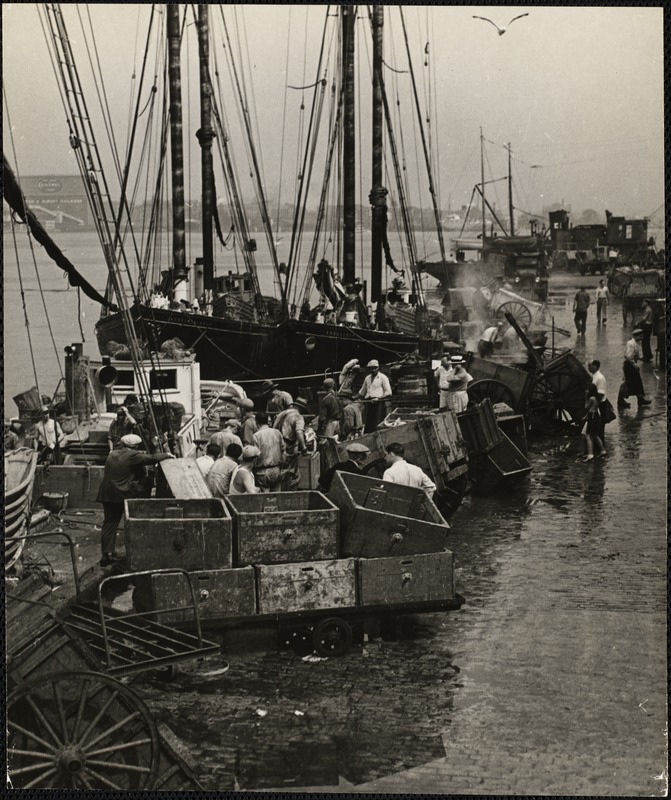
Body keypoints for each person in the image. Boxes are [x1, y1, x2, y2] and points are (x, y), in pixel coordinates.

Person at [96, 433, 174, 566]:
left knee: (109, 524)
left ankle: (106, 555)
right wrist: (167, 454)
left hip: (106, 493)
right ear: (135, 446)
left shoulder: (112, 454)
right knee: (130, 522)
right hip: (120, 494)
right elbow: (152, 458)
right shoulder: (133, 455)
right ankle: (134, 552)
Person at [273, 397, 308, 489]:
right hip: (289, 449)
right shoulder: (298, 417)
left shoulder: (281, 414)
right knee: (293, 475)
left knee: (281, 472)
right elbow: (299, 432)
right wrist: (304, 447)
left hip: (276, 446)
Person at [617, 329, 651, 409]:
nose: (641, 338)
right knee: (626, 383)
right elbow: (629, 357)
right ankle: (620, 400)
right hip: (629, 366)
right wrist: (635, 365)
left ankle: (640, 399)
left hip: (631, 365)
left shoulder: (634, 343)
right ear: (636, 336)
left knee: (637, 382)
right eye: (640, 336)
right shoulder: (631, 344)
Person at [252, 411, 285, 492]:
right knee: (277, 496)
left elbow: (255, 456)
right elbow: (283, 451)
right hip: (276, 469)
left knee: (265, 498)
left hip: (262, 471)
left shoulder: (256, 436)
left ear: (256, 422)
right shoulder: (277, 433)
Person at [355, 359, 392, 433]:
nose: (373, 370)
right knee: (368, 422)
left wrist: (378, 398)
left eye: (375, 368)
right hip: (369, 402)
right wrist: (353, 398)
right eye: (371, 368)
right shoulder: (367, 378)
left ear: (378, 368)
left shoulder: (383, 377)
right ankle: (367, 435)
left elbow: (388, 392)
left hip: (378, 403)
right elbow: (362, 392)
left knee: (376, 421)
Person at [579, 384, 606, 462]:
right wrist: (586, 416)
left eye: (587, 390)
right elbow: (591, 409)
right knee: (595, 435)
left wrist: (585, 398)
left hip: (592, 416)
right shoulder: (596, 398)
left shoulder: (591, 398)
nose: (586, 391)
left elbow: (586, 407)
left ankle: (590, 455)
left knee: (588, 435)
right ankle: (603, 451)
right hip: (595, 415)